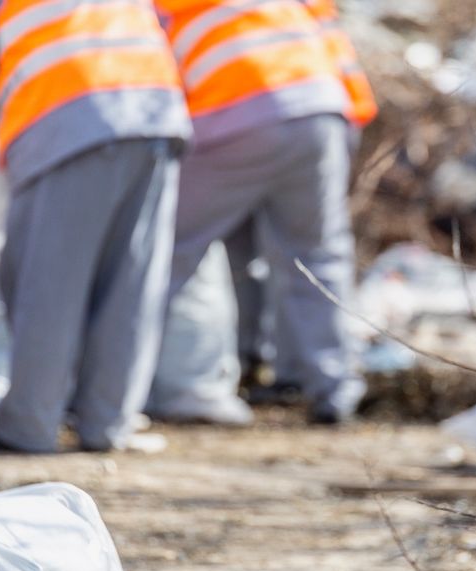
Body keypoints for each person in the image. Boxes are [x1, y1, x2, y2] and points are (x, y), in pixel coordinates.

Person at [0, 0, 191, 453]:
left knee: (47, 282)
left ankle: (27, 424)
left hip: (71, 113)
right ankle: (107, 421)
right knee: (129, 280)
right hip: (156, 109)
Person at [154, 0, 370, 425]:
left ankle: (136, 387)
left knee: (168, 252)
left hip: (232, 121)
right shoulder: (293, 7)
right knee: (317, 255)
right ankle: (333, 387)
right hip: (322, 116)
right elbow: (347, 74)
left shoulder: (158, 9)